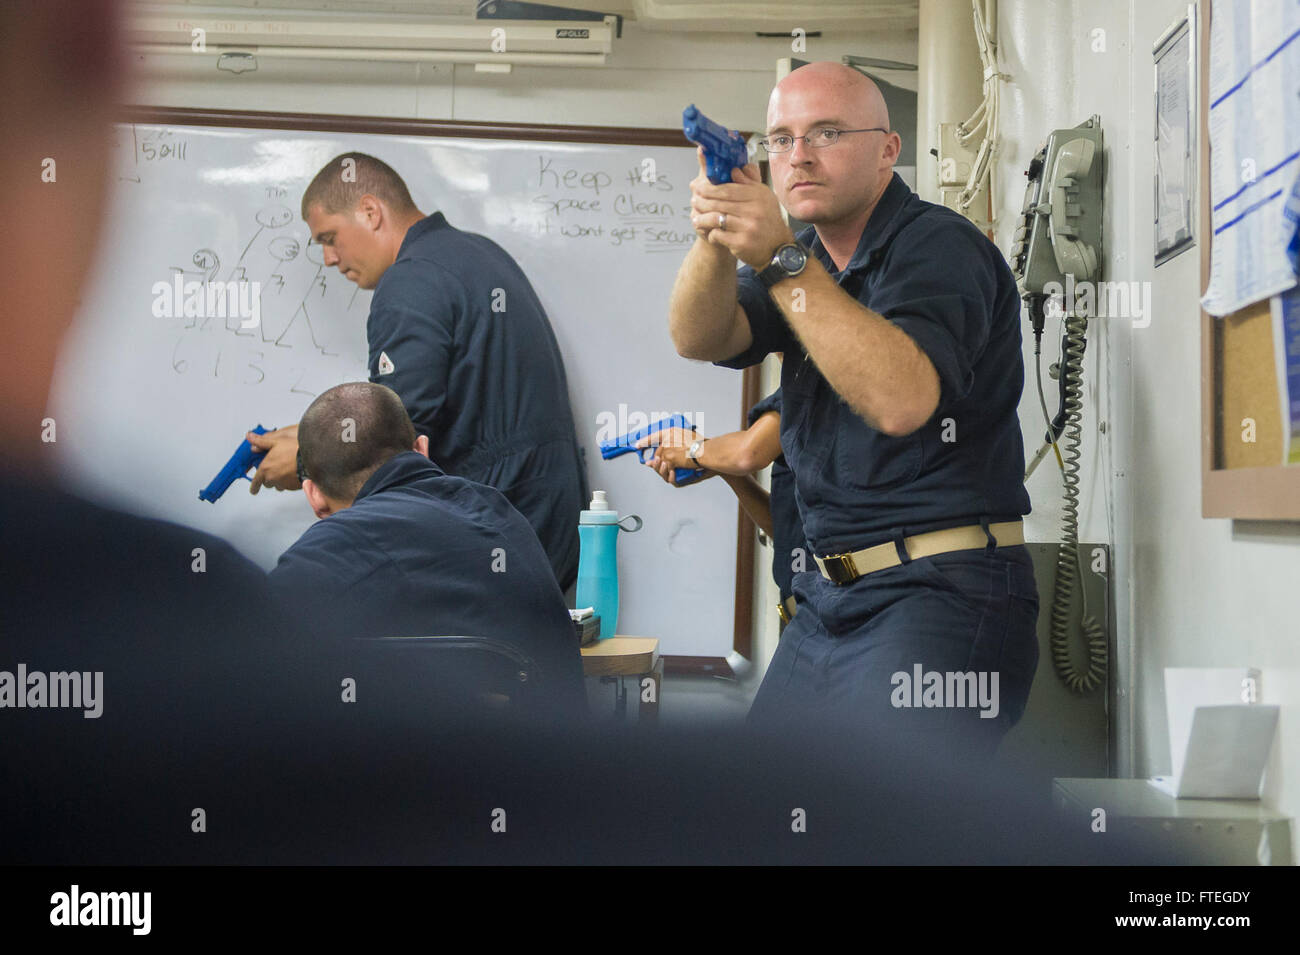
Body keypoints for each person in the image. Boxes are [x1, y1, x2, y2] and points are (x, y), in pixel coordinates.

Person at [667, 61, 1039, 754]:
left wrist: (779, 258)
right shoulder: (806, 256)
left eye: (826, 132)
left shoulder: (937, 246)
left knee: (873, 828)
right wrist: (715, 231)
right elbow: (700, 334)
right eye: (780, 139)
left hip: (938, 592)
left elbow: (902, 403)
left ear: (888, 150)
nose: (798, 156)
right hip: (828, 599)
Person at [247, 154, 589, 593]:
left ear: (371, 212)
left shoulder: (409, 283)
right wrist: (311, 434)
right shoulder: (475, 253)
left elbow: (386, 443)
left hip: (491, 528)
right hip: (536, 523)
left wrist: (301, 464)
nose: (330, 259)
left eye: (329, 238)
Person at [268, 382, 586, 714]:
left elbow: (248, 659)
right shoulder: (504, 516)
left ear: (314, 495)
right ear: (422, 448)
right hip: (551, 760)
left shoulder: (330, 553)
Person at [636, 387, 808, 626]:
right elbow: (787, 530)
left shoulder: (808, 387)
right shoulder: (795, 388)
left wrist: (697, 450)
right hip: (800, 617)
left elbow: (747, 454)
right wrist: (722, 469)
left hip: (834, 622)